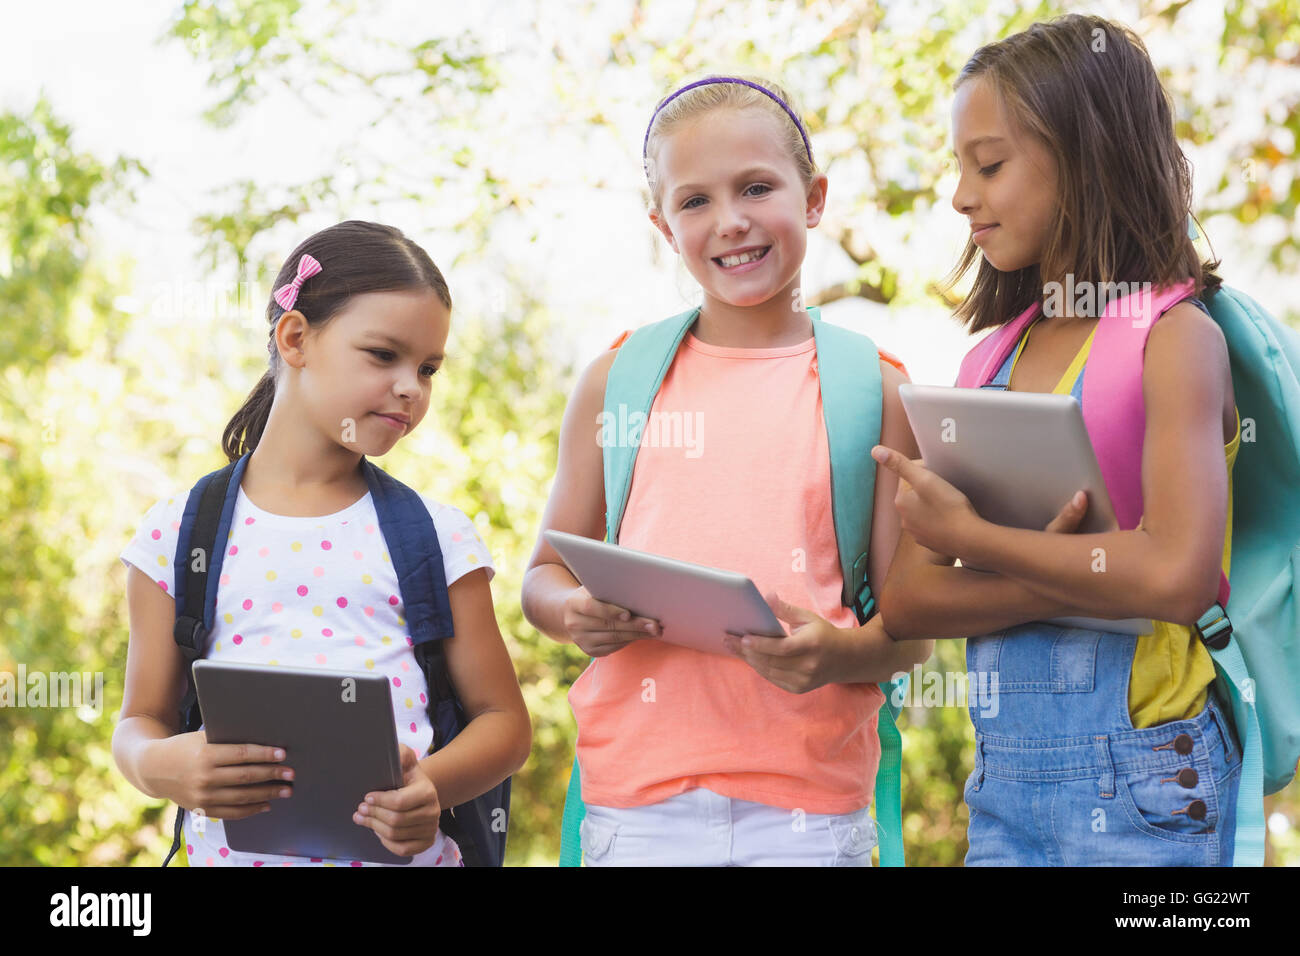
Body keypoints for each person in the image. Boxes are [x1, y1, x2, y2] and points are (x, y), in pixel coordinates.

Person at [521, 75, 932, 866]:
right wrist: (574, 613)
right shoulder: (617, 379)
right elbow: (543, 573)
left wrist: (838, 655)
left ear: (812, 197)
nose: (731, 221)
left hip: (808, 811)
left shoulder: (875, 389)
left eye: (756, 187)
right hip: (639, 805)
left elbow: (910, 632)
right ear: (662, 225)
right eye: (695, 201)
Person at [874, 15, 1242, 865]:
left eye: (990, 164)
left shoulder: (1176, 342)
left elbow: (1179, 578)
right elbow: (909, 601)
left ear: (1087, 155)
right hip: (1003, 788)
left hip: (1151, 781)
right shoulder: (985, 364)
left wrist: (981, 546)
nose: (962, 196)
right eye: (958, 168)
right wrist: (1069, 578)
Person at [114, 220, 531, 866]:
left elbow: (504, 725)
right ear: (296, 337)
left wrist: (431, 786)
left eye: (427, 368)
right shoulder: (176, 534)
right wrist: (168, 764)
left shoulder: (436, 538)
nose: (411, 389)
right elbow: (137, 724)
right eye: (383, 355)